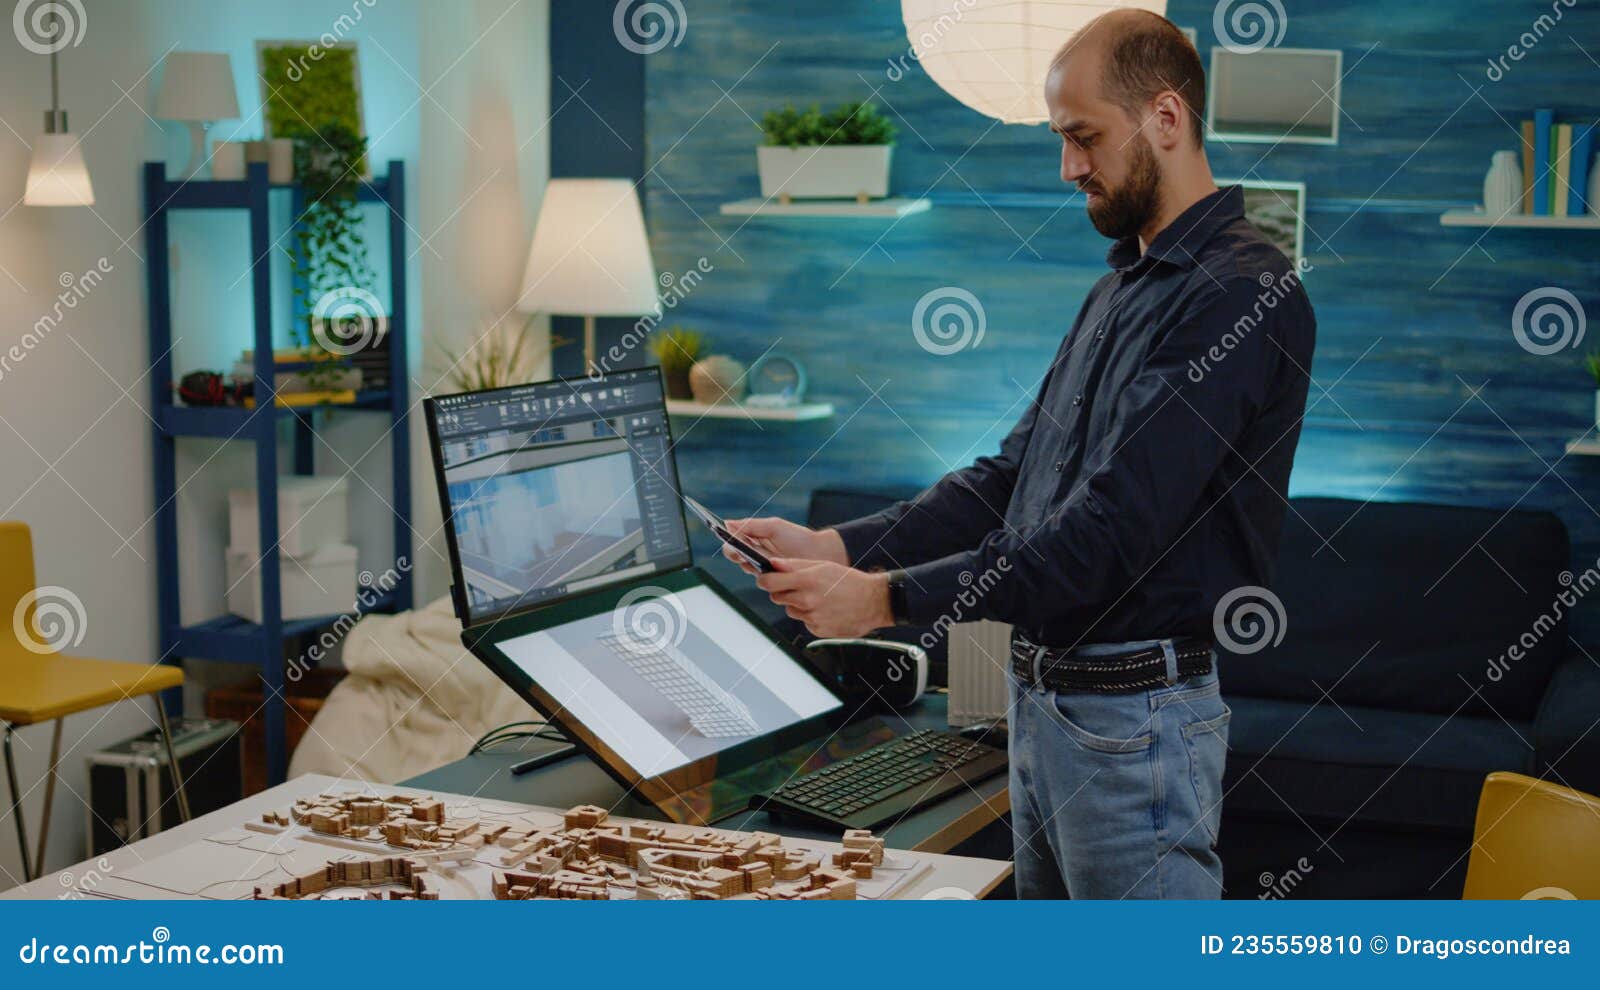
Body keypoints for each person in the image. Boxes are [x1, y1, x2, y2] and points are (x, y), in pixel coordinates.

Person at [723, 9, 1315, 898]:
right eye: (1061, 140)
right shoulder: (1119, 288)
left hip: (1133, 720)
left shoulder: (1242, 292)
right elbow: (1011, 479)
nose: (1069, 166)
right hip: (1042, 707)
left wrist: (885, 600)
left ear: (1166, 118)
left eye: (1084, 138)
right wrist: (843, 549)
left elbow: (1112, 531)